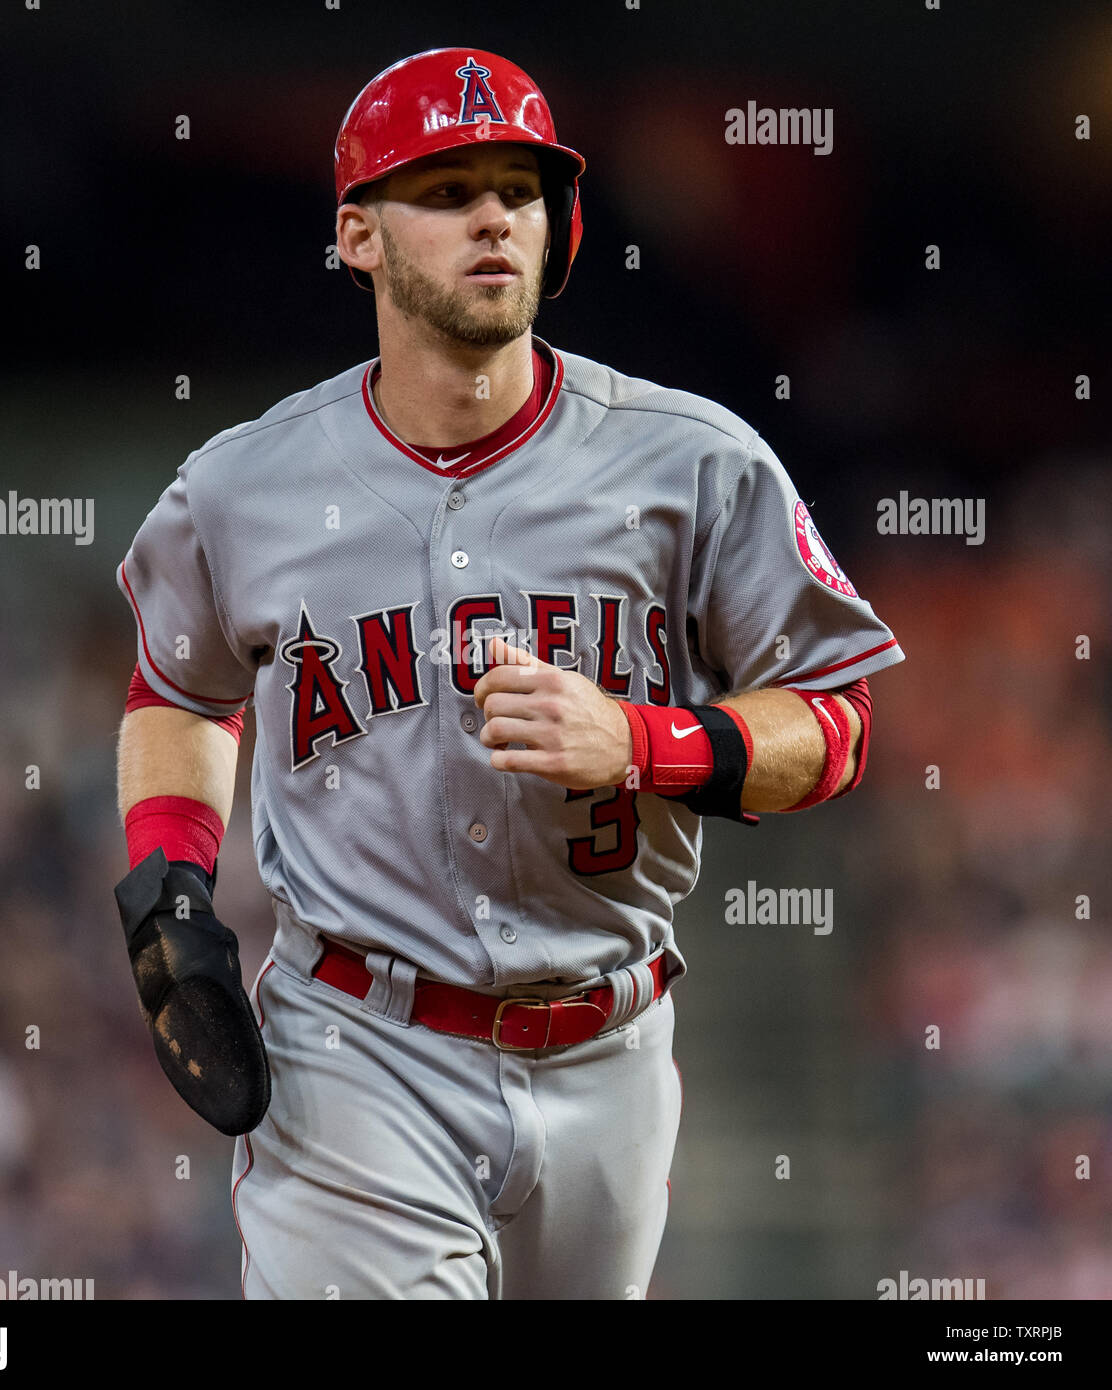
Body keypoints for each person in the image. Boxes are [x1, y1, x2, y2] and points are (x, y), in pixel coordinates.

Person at [112, 47, 903, 1300]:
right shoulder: (243, 486)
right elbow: (180, 689)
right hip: (356, 1047)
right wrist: (171, 876)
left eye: (518, 189)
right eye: (445, 189)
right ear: (358, 237)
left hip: (613, 1046)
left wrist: (649, 743)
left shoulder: (692, 464)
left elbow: (839, 723)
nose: (492, 214)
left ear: (558, 225)